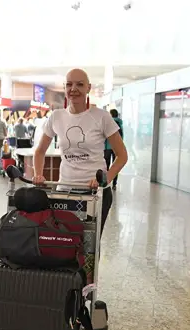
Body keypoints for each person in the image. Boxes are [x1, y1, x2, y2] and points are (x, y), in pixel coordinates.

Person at [33, 68, 128, 283]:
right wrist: (39, 175)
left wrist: (104, 179)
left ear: (88, 89)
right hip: (65, 192)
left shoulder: (101, 117)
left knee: (89, 246)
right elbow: (39, 151)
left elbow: (122, 156)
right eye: (69, 84)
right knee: (62, 241)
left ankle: (86, 290)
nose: (73, 89)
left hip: (94, 194)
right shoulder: (56, 117)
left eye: (79, 84)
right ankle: (65, 287)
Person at [104, 109, 123, 190]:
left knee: (106, 166)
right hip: (116, 148)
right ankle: (114, 184)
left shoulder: (110, 123)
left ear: (111, 114)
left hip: (108, 147)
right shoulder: (120, 123)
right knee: (115, 165)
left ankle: (105, 182)